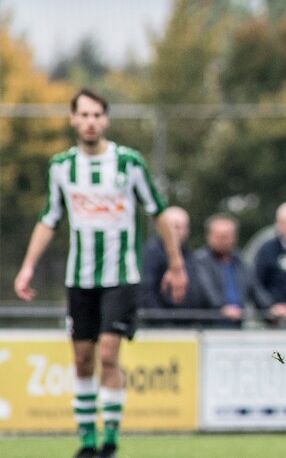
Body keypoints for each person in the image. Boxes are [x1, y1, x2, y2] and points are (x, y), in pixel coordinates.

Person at [12, 88, 188, 458]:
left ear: (105, 120)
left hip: (121, 276)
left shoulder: (129, 162)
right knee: (82, 359)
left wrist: (176, 264)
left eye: (96, 115)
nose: (90, 122)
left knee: (108, 354)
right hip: (80, 278)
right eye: (84, 115)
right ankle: (87, 440)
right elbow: (49, 218)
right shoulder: (61, 166)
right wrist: (28, 267)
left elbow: (158, 211)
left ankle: (110, 439)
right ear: (73, 119)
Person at [189, 214, 284, 328]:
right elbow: (206, 290)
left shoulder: (240, 261)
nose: (222, 241)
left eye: (226, 236)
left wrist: (271, 308)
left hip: (236, 326)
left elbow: (255, 289)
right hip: (208, 327)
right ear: (209, 236)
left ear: (234, 237)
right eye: (219, 236)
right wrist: (222, 309)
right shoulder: (200, 261)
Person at [139, 205, 206, 326]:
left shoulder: (189, 254)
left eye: (181, 227)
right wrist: (161, 323)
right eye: (173, 227)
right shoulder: (152, 253)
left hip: (189, 324)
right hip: (163, 327)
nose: (177, 232)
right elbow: (147, 291)